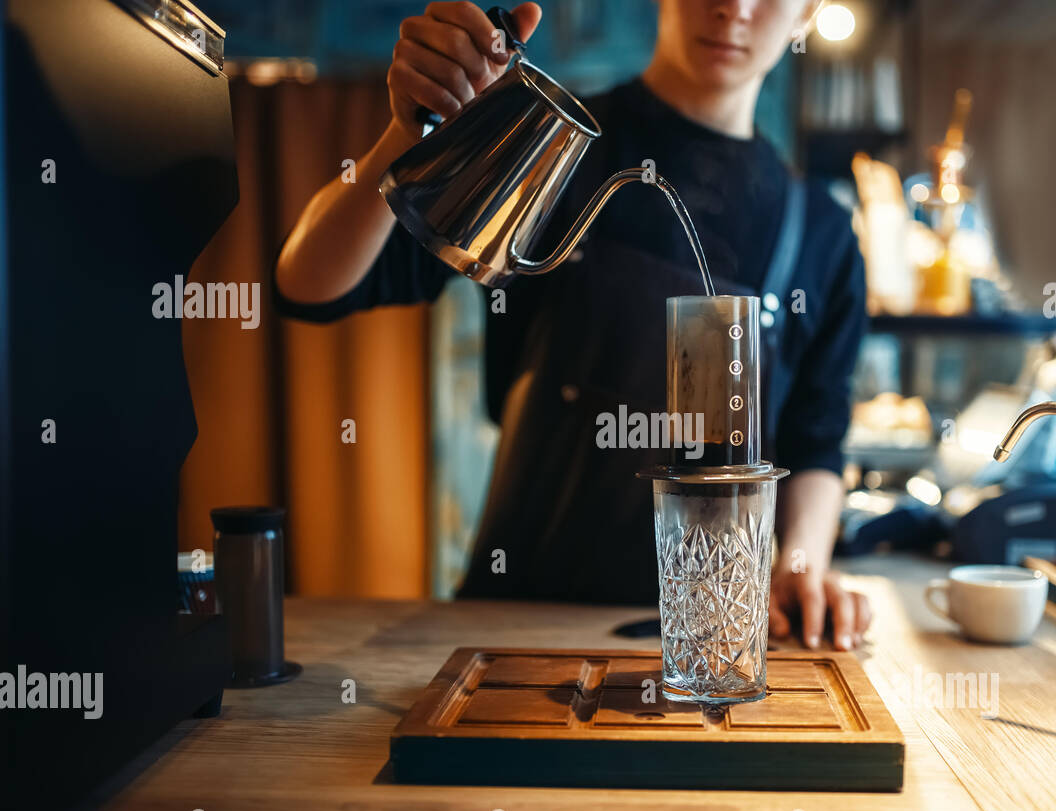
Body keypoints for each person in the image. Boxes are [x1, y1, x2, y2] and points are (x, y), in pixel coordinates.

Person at [275, 0, 872, 650]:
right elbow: (311, 287)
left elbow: (816, 438)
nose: (733, 8)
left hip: (712, 644)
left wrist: (801, 566)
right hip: (519, 631)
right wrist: (407, 134)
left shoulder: (821, 231)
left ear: (808, 13)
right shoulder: (548, 142)